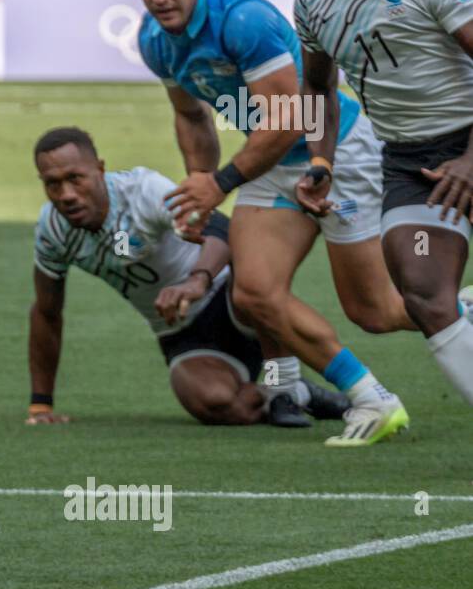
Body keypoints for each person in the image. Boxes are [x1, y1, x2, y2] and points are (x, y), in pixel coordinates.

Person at [128, 0, 411, 447]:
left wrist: (221, 183)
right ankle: (373, 399)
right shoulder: (154, 40)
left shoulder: (244, 20)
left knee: (376, 311)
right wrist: (197, 185)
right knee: (255, 293)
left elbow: (288, 122)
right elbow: (191, 117)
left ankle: (457, 310)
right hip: (268, 164)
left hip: (334, 154)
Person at [295, 0, 473, 407]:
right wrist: (319, 162)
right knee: (422, 292)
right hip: (411, 164)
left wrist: (470, 161)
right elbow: (318, 89)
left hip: (469, 141)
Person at [26, 126, 346, 427]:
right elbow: (47, 313)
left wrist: (197, 281)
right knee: (213, 403)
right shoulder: (53, 230)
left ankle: (288, 389)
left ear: (100, 168)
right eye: (52, 183)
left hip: (229, 295)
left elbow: (222, 229)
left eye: (75, 178)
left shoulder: (141, 191)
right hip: (181, 332)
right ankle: (300, 395)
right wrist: (41, 404)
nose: (66, 194)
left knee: (256, 283)